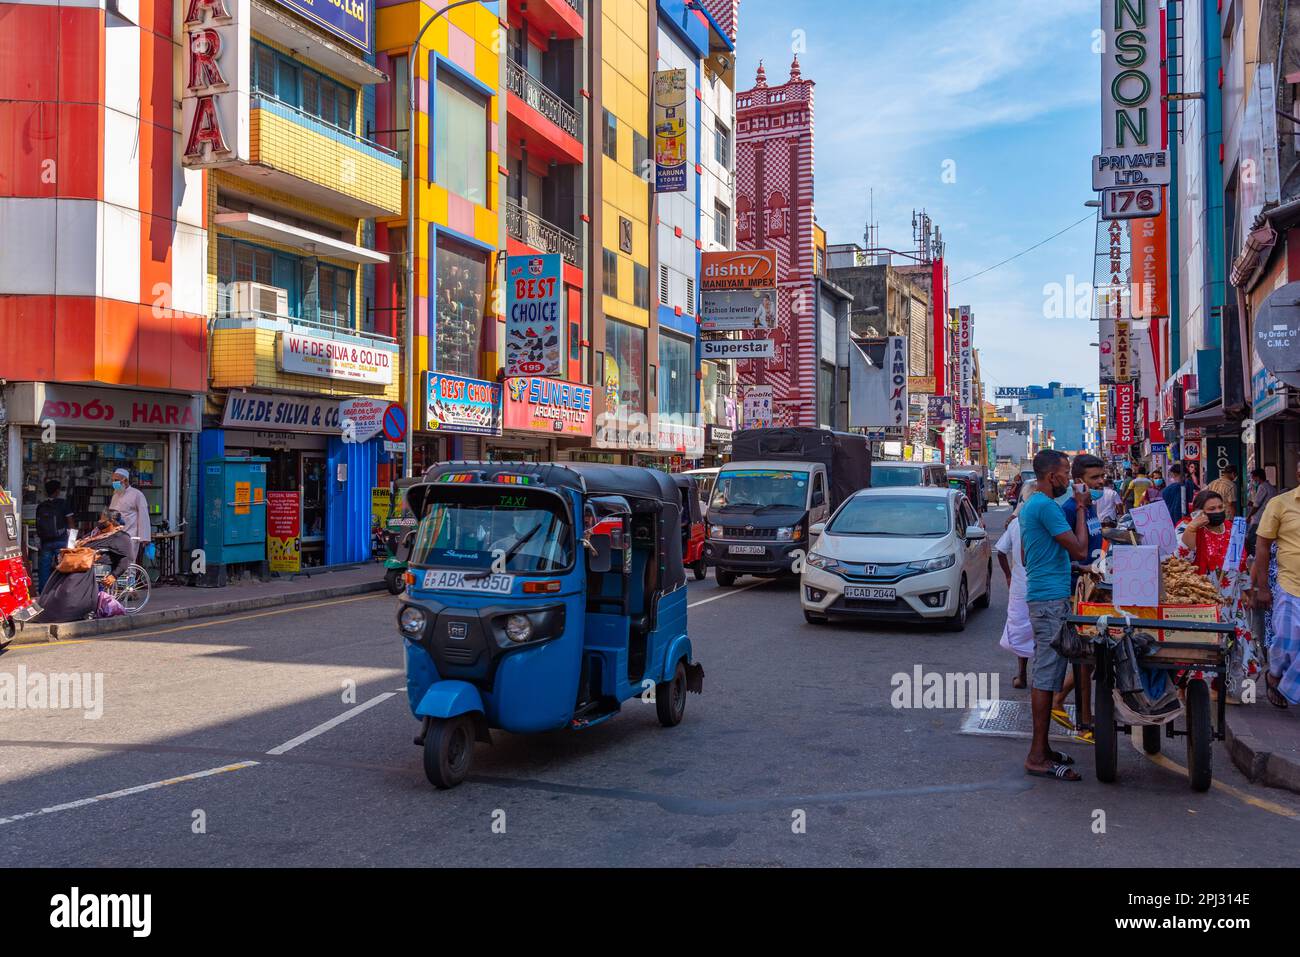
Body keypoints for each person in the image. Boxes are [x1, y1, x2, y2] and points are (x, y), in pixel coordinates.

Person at [1021, 449, 1091, 782]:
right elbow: (1079, 547)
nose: (1070, 478)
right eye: (1066, 472)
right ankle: (1037, 756)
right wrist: (1079, 507)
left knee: (1049, 671)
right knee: (1047, 675)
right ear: (1052, 476)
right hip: (1050, 600)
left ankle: (1044, 749)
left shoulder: (1031, 505)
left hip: (1045, 594)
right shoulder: (1047, 507)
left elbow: (1026, 553)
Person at [1175, 489, 1259, 702]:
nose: (1218, 512)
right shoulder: (1187, 527)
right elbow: (1182, 557)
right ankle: (1186, 686)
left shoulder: (1234, 530)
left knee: (1231, 645)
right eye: (1211, 509)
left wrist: (1247, 591)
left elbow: (1241, 564)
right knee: (1199, 645)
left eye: (1220, 508)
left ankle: (1217, 688)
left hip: (1231, 600)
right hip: (1201, 598)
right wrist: (1193, 528)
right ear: (1199, 512)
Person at [1251, 464, 1300, 708]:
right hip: (1290, 583)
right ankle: (1275, 675)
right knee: (1286, 638)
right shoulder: (1280, 504)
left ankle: (1286, 684)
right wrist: (1262, 587)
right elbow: (1262, 546)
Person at [36, 509, 133, 623]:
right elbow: (80, 541)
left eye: (102, 519)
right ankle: (50, 606)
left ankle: (71, 609)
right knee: (60, 572)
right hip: (82, 560)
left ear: (111, 522)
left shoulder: (121, 537)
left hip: (97, 565)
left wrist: (114, 575)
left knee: (72, 578)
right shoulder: (94, 533)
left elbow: (126, 558)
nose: (99, 521)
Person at [996, 484, 1035, 690]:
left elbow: (1001, 552)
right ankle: (1036, 675)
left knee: (1022, 630)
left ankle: (1022, 674)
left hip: (1021, 586)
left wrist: (1009, 576)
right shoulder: (1049, 520)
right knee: (1041, 631)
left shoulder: (1016, 523)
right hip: (1038, 585)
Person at [34, 479, 75, 591]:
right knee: (63, 567)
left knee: (44, 570)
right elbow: (71, 522)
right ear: (57, 491)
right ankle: (63, 591)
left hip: (45, 542)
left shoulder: (41, 506)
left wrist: (38, 541)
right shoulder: (63, 504)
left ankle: (42, 594)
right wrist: (72, 542)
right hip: (61, 541)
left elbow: (37, 525)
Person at [109, 467, 151, 564]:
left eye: (116, 480)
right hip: (115, 536)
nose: (114, 483)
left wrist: (145, 538)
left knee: (129, 565)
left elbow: (143, 516)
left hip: (130, 536)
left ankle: (131, 580)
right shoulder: (115, 495)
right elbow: (111, 514)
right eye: (113, 480)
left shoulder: (137, 495)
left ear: (126, 480)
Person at [1246, 468, 1277, 533]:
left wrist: (1249, 516)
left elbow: (1256, 505)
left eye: (1253, 478)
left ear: (1258, 477)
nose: (1253, 480)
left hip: (1259, 519)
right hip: (1268, 518)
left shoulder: (1262, 487)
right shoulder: (1271, 487)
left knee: (1250, 540)